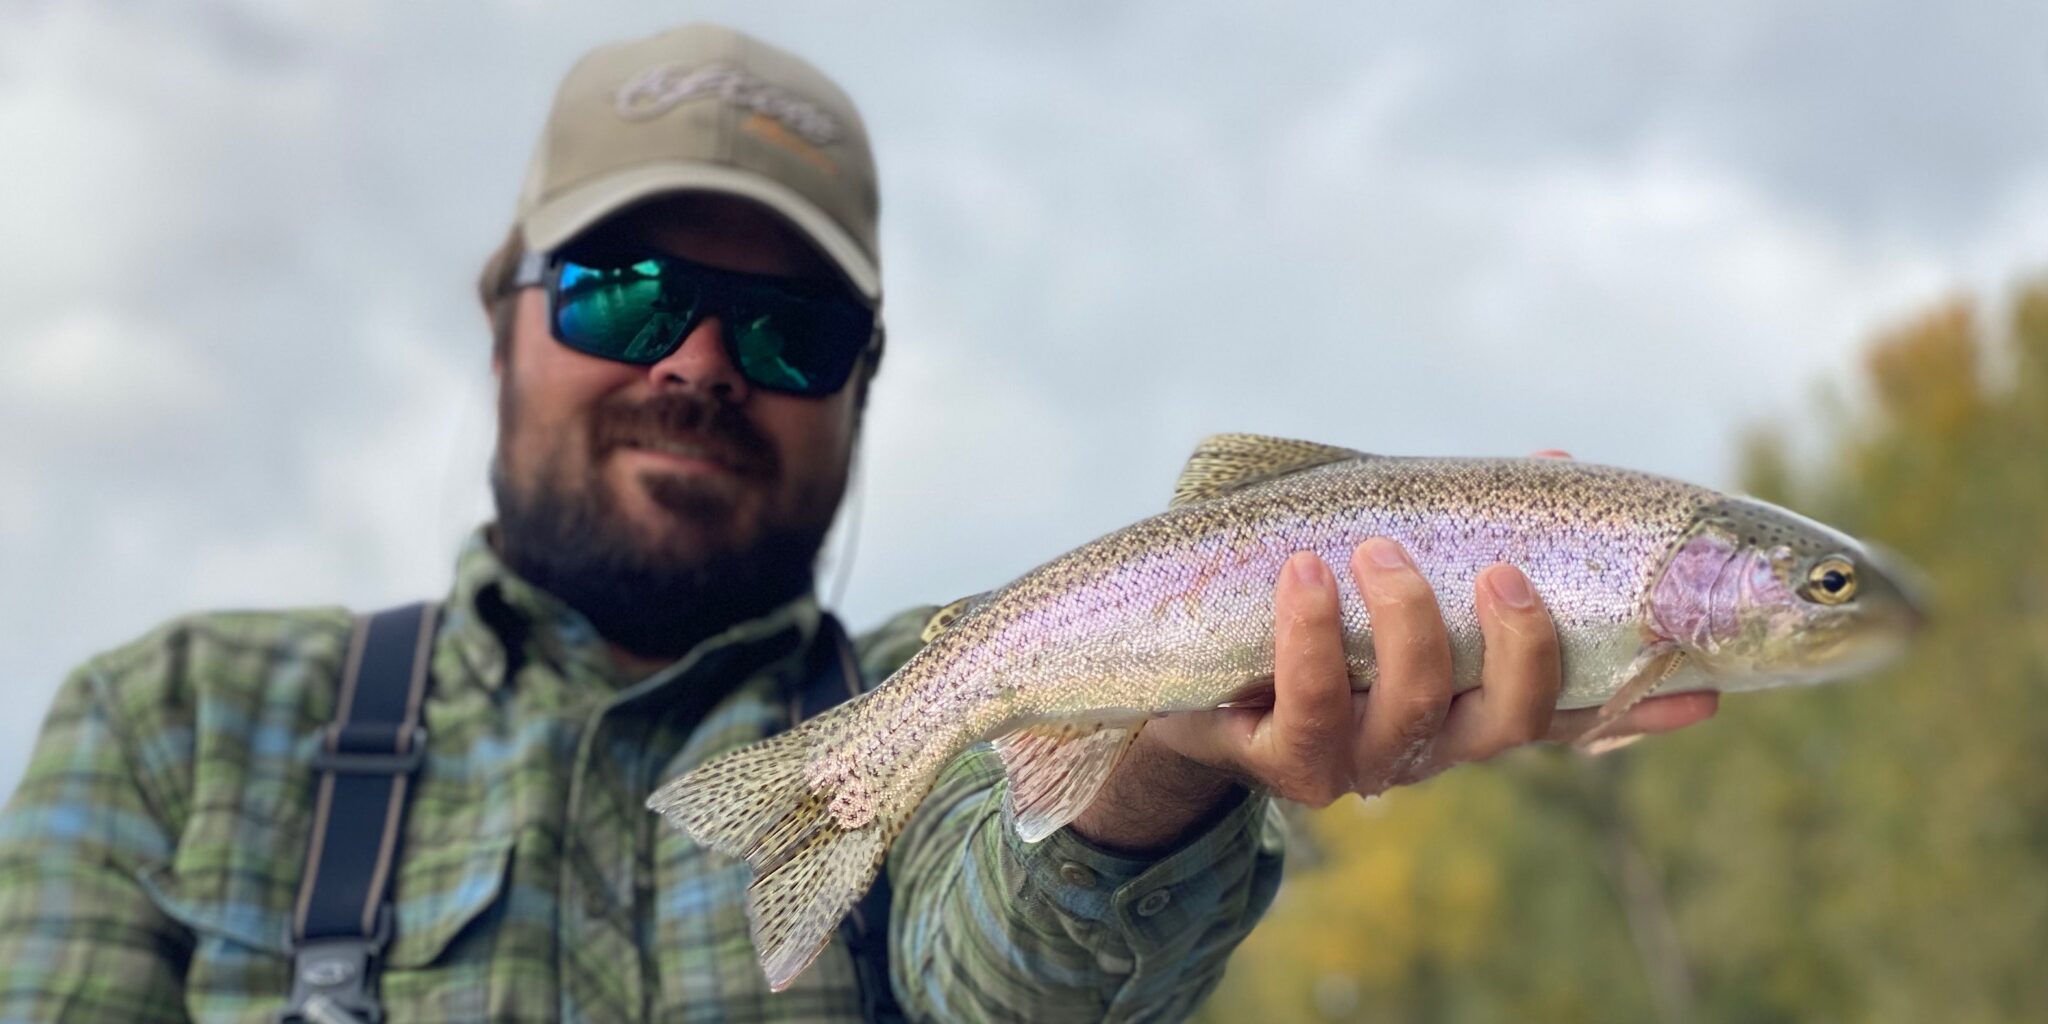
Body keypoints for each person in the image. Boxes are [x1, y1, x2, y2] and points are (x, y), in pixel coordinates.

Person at [0, 22, 1716, 1024]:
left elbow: (1015, 987)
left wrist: (1162, 753)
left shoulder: (929, 690)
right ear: (498, 313)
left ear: (864, 382)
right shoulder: (174, 722)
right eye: (619, 291)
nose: (694, 364)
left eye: (786, 332)